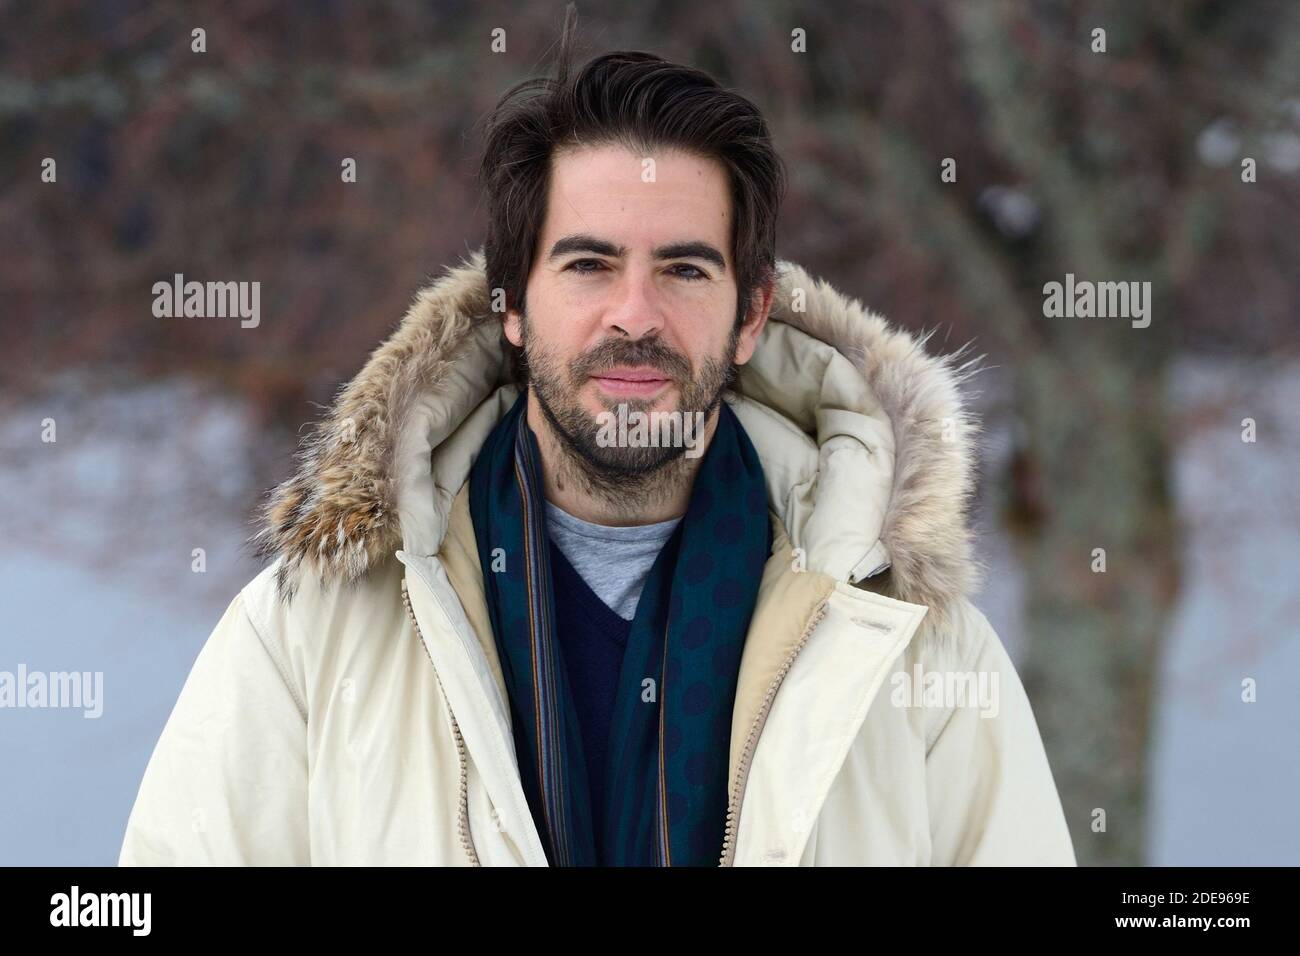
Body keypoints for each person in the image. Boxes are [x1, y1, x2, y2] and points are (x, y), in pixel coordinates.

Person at [118, 21, 1075, 867]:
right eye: (589, 264)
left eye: (685, 269)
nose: (635, 316)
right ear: (513, 308)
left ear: (750, 317)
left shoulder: (911, 650)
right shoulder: (311, 636)